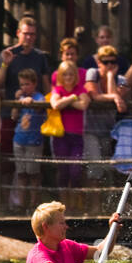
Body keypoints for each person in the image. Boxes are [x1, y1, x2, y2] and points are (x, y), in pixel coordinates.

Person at [84, 44, 129, 188]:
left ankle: (102, 202)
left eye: (112, 62)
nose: (109, 65)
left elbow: (115, 98)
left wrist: (110, 77)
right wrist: (114, 98)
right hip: (90, 129)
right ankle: (93, 205)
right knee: (95, 166)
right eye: (105, 62)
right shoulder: (92, 73)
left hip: (109, 131)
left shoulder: (121, 79)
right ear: (99, 63)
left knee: (106, 168)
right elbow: (94, 95)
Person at [48, 60, 90, 194]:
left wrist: (65, 100)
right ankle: (64, 200)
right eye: (65, 74)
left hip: (77, 137)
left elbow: (83, 105)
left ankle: (76, 199)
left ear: (75, 76)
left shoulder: (81, 89)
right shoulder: (57, 90)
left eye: (71, 74)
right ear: (60, 75)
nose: (68, 77)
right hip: (61, 136)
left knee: (75, 170)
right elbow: (55, 104)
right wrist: (72, 98)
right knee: (63, 170)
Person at [10, 69, 45, 211]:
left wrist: (32, 102)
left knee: (33, 173)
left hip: (34, 141)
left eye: (27, 84)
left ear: (34, 84)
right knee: (21, 173)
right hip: (19, 139)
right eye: (22, 85)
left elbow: (39, 109)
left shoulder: (39, 97)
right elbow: (13, 116)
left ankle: (33, 204)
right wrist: (16, 102)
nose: (24, 87)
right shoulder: (20, 97)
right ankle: (21, 203)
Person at [0, 16, 51, 99]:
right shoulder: (7, 54)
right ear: (18, 33)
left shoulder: (40, 56)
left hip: (35, 108)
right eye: (25, 34)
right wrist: (5, 64)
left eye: (32, 34)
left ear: (35, 36)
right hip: (12, 106)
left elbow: (46, 86)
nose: (29, 37)